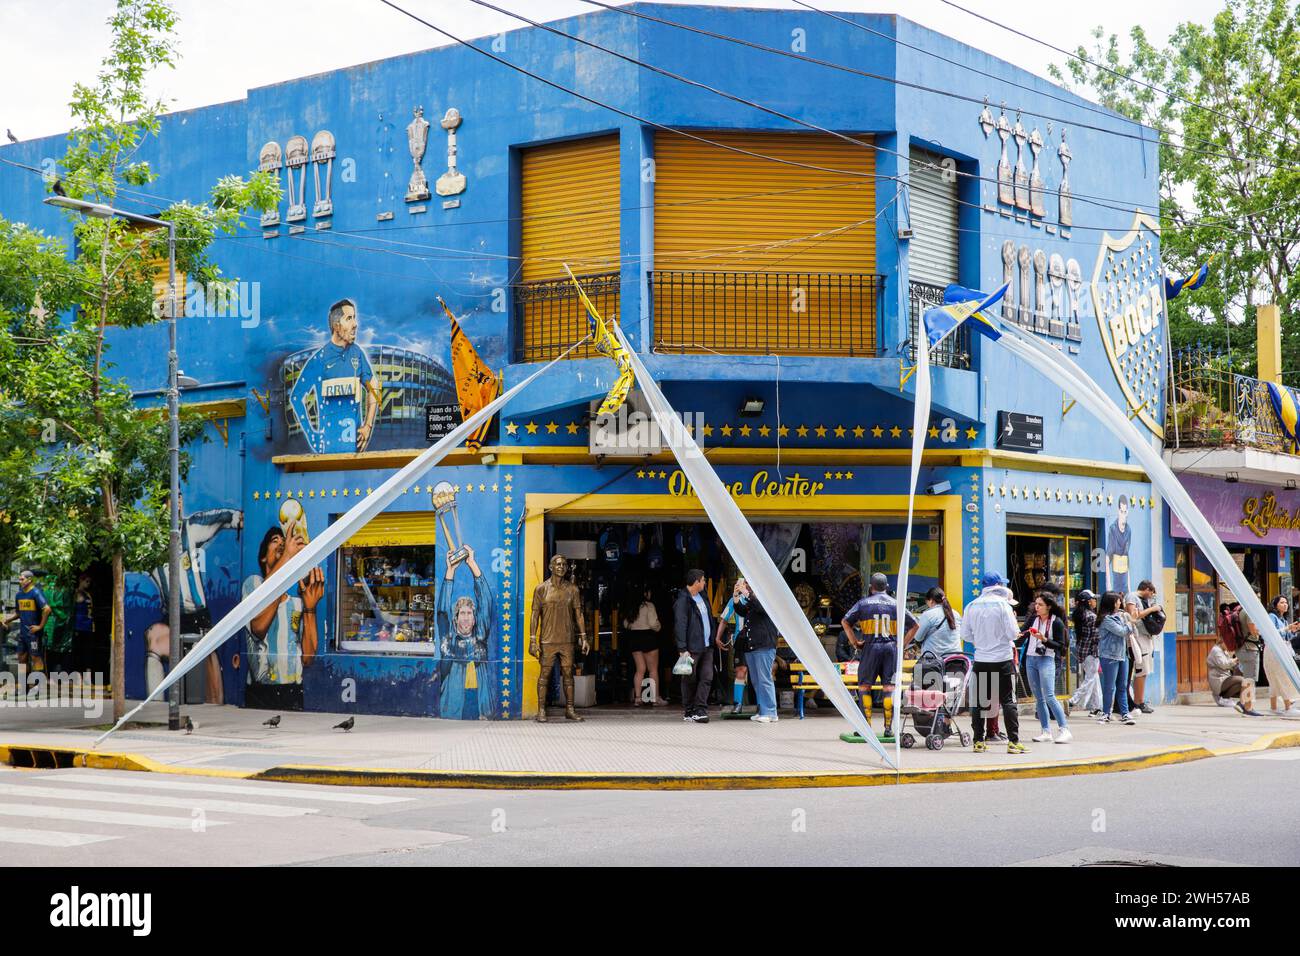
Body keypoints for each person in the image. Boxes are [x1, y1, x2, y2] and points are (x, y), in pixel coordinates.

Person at [288, 298, 382, 454]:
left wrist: (368, 426)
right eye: (349, 318)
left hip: (355, 452)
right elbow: (296, 397)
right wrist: (312, 436)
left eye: (355, 317)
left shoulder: (357, 354)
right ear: (336, 326)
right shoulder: (321, 358)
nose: (355, 324)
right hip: (329, 451)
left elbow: (374, 386)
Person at [841, 572, 918, 739]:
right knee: (889, 688)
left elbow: (845, 621)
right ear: (887, 588)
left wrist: (855, 642)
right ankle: (889, 728)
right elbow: (915, 625)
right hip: (891, 648)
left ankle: (866, 727)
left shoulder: (863, 604)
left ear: (871, 588)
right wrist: (902, 645)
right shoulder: (895, 604)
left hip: (870, 647)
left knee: (864, 687)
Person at [965, 572, 1025, 754]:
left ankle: (978, 742)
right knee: (1008, 700)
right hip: (1002, 659)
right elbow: (1013, 633)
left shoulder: (971, 606)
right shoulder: (1003, 606)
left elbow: (965, 635)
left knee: (980, 701)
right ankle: (1013, 742)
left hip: (981, 659)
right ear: (998, 585)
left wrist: (980, 642)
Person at [437, 546, 497, 720]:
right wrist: (450, 571)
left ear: (474, 618)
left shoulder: (480, 636)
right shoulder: (448, 638)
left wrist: (471, 563)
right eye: (461, 613)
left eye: (469, 613)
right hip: (453, 705)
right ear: (455, 618)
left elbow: (485, 601)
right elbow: (442, 611)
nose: (465, 617)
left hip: (481, 705)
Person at [1019, 592, 1073, 743]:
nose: (1037, 607)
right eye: (1036, 604)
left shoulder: (1056, 622)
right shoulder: (1033, 619)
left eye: (1040, 604)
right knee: (1039, 698)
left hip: (1046, 659)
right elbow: (1023, 633)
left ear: (1049, 606)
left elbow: (1061, 646)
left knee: (1049, 695)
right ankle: (1045, 731)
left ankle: (1064, 729)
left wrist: (1044, 640)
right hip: (1031, 659)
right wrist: (1017, 635)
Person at [674, 568, 716, 723]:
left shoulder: (703, 597)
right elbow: (680, 624)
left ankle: (700, 709)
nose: (705, 583)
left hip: (707, 645)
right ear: (697, 581)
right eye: (703, 580)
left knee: (707, 676)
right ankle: (689, 709)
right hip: (691, 647)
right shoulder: (683, 600)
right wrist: (682, 648)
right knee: (689, 678)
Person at [734, 580, 779, 723]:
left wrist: (747, 593)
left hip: (764, 644)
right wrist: (736, 596)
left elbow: (760, 607)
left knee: (764, 679)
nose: (746, 585)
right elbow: (743, 610)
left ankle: (771, 712)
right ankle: (763, 710)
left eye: (748, 583)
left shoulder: (768, 597)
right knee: (756, 680)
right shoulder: (752, 599)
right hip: (751, 644)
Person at [1096, 591, 1137, 725]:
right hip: (1109, 656)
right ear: (1112, 603)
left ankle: (1124, 713)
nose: (1120, 603)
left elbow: (1129, 632)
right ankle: (1106, 713)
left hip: (1122, 655)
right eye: (1118, 601)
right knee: (1110, 686)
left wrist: (1129, 622)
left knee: (1122, 685)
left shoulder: (1118, 617)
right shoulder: (1107, 619)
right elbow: (1122, 632)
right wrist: (1132, 621)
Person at [909, 587, 961, 690]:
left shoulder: (928, 615)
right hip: (956, 660)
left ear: (931, 600)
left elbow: (918, 637)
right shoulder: (955, 613)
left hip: (934, 661)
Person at [623, 586, 668, 706]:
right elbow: (653, 623)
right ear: (645, 593)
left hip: (635, 639)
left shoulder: (631, 607)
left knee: (640, 670)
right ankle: (655, 698)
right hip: (648, 638)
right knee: (653, 670)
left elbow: (626, 624)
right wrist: (659, 627)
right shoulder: (649, 606)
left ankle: (638, 698)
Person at [1127, 580, 1164, 714]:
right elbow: (1133, 617)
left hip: (1146, 637)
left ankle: (1140, 700)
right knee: (1141, 670)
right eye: (1151, 593)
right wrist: (1152, 609)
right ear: (1147, 589)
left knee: (1145, 671)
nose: (1151, 596)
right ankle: (1139, 702)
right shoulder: (1132, 597)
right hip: (1138, 637)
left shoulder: (1144, 600)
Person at [4, 570, 50, 672]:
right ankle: (24, 686)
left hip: (34, 633)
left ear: (29, 580)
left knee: (35, 657)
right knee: (21, 657)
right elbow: (19, 613)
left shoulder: (36, 592)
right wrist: (8, 620)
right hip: (23, 633)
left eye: (22, 579)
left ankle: (39, 685)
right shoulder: (19, 595)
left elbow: (47, 609)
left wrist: (40, 626)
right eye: (19, 579)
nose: (20, 581)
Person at [715, 581, 749, 713]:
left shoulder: (758, 598)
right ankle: (738, 704)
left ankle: (763, 704)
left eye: (743, 584)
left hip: (757, 641)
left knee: (760, 673)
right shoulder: (734, 600)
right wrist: (718, 637)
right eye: (737, 584)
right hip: (741, 641)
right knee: (740, 671)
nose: (740, 586)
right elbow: (724, 619)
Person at [1264, 595, 1300, 716]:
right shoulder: (1271, 617)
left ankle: (1273, 708)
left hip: (1282, 649)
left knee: (1276, 679)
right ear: (1275, 605)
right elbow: (1270, 633)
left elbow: (1286, 637)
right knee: (1282, 677)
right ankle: (1288, 707)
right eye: (1282, 602)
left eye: (1286, 602)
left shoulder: (1283, 619)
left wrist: (1292, 630)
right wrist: (1286, 628)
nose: (1285, 604)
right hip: (1273, 651)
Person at [1208, 635, 1261, 716]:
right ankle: (1242, 703)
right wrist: (1236, 660)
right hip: (1219, 679)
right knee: (1244, 681)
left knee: (1243, 684)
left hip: (1225, 678)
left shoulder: (1223, 650)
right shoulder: (1216, 650)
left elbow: (1230, 664)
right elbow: (1224, 664)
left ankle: (1227, 699)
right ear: (1223, 642)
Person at [1069, 590, 1102, 716]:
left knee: (1094, 678)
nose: (1095, 601)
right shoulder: (1092, 617)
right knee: (1090, 678)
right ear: (1088, 602)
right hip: (1091, 652)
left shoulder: (1078, 615)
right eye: (1093, 599)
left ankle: (1096, 707)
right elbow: (1096, 637)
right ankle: (1074, 699)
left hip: (1082, 651)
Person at [1106, 495, 1132, 594]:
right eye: (1121, 511)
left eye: (1125, 512)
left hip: (1124, 574)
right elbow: (1108, 557)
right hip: (1115, 576)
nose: (1123, 515)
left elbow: (1127, 557)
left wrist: (1129, 588)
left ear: (1127, 512)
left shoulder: (1128, 530)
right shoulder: (1113, 529)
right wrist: (1108, 584)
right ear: (1118, 511)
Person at [73, 573, 95, 674]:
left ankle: (88, 673)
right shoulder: (76, 593)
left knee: (88, 650)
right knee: (78, 650)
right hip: (79, 626)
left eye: (89, 582)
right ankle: (78, 674)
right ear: (80, 580)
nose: (88, 584)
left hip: (88, 626)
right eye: (86, 581)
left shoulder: (88, 594)